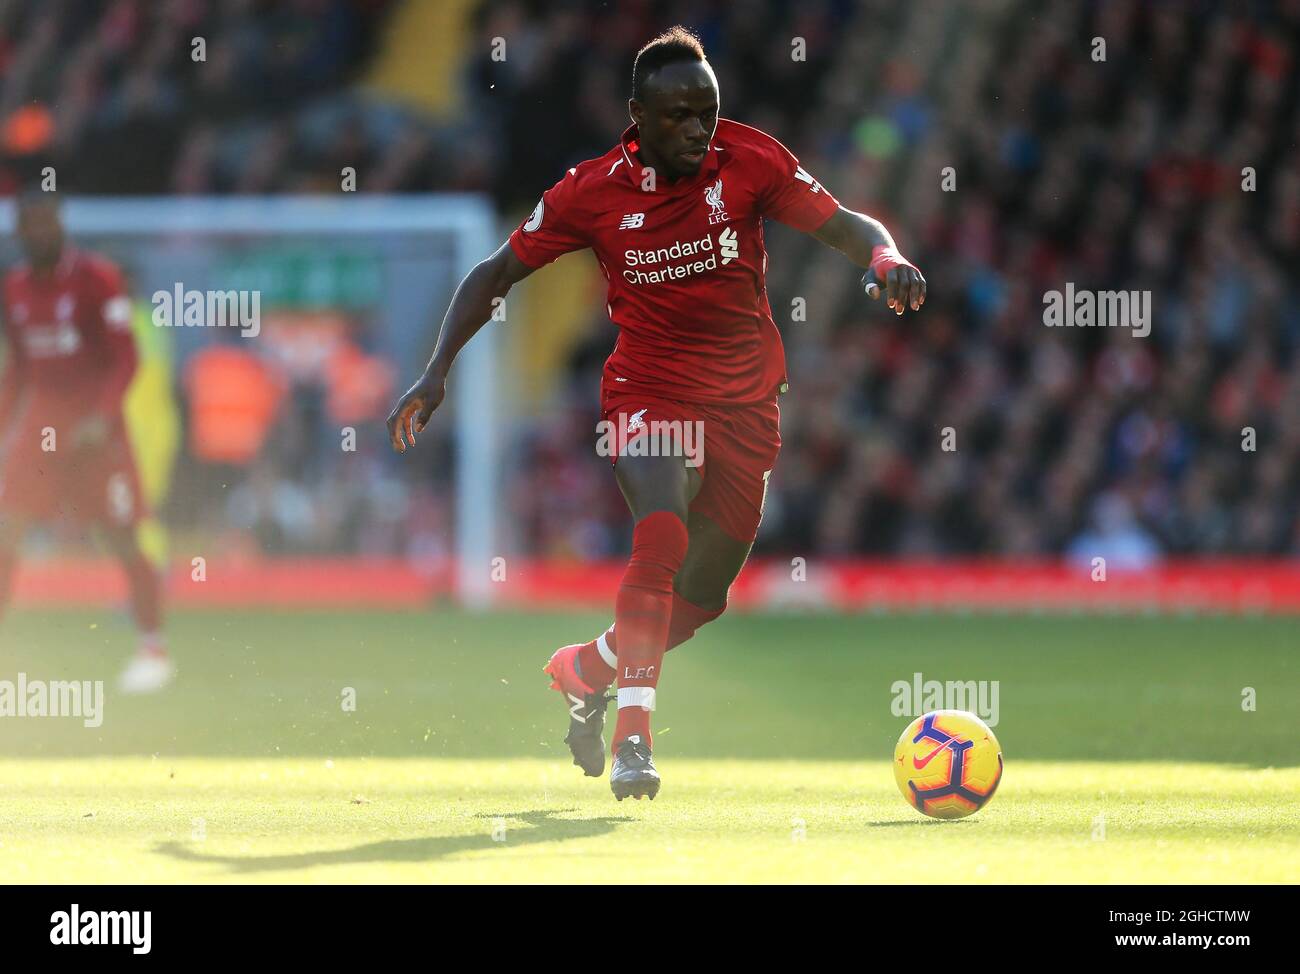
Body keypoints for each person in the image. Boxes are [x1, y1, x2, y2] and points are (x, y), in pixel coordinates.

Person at [387, 27, 925, 800]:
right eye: (678, 115)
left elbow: (848, 225)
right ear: (637, 115)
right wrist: (437, 370)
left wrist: (886, 259)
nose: (698, 129)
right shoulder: (590, 192)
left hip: (745, 402)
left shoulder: (750, 162)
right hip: (647, 390)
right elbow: (496, 271)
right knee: (662, 531)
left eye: (707, 111)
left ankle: (588, 668)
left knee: (701, 599)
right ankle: (633, 739)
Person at [0, 190, 172, 693]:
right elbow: (19, 369)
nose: (37, 234)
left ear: (59, 225)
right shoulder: (13, 289)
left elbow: (126, 358)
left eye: (45, 223)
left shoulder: (98, 280)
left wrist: (102, 415)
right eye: (27, 226)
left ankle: (153, 649)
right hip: (40, 431)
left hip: (96, 434)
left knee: (120, 535)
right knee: (7, 532)